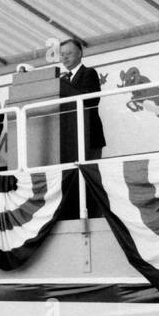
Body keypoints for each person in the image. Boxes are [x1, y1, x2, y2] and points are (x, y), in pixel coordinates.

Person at [57, 38, 105, 219]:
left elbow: (91, 100)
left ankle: (94, 213)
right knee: (72, 177)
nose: (64, 58)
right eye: (62, 54)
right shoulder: (61, 80)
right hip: (68, 138)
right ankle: (72, 212)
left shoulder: (89, 73)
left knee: (89, 175)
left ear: (80, 54)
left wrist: (63, 85)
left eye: (68, 53)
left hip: (89, 135)